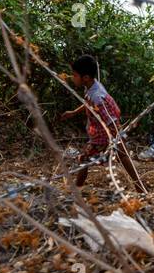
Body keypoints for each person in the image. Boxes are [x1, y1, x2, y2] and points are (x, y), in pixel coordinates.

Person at [60, 54, 147, 195]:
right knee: (91, 158)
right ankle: (140, 188)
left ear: (86, 77)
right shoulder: (91, 87)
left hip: (107, 133)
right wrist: (74, 112)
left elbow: (110, 117)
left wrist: (117, 136)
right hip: (101, 133)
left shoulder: (97, 96)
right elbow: (88, 103)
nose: (72, 77)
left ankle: (76, 190)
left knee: (111, 156)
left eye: (75, 75)